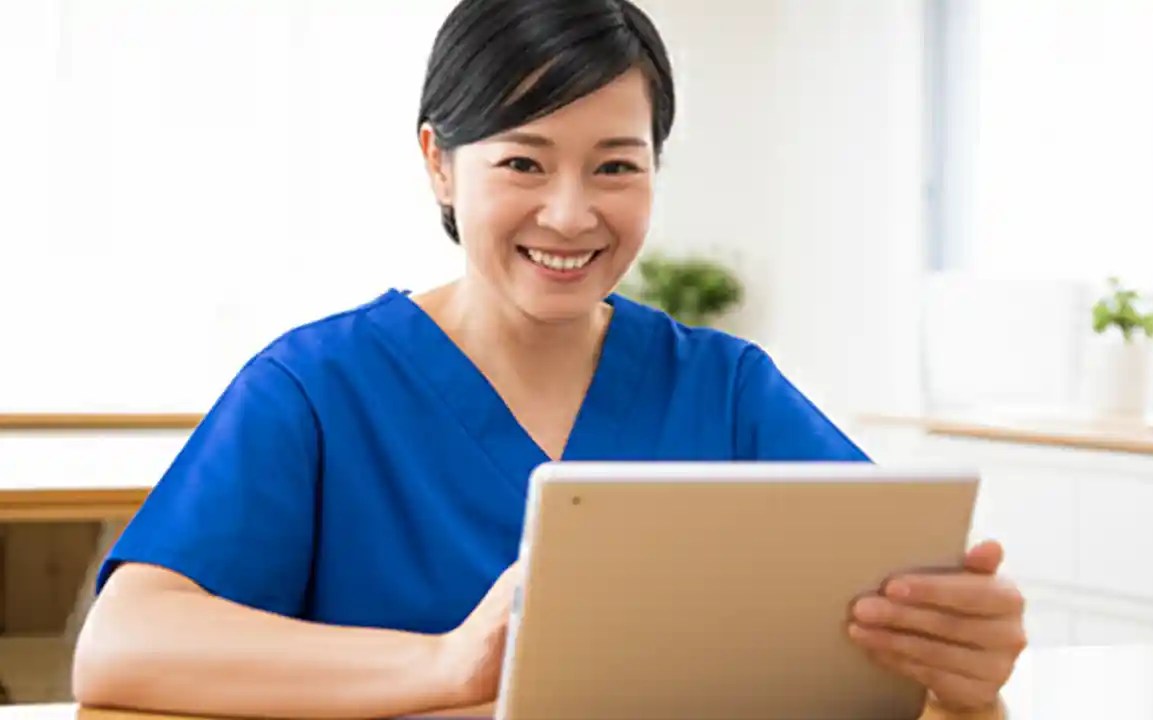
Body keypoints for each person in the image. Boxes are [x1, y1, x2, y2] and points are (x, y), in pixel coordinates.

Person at [72, 0, 1027, 717]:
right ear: (440, 163)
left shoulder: (728, 391)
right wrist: (445, 664)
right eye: (523, 163)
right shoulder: (318, 388)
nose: (570, 214)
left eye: (616, 165)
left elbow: (880, 647)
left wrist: (965, 670)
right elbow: (123, 646)